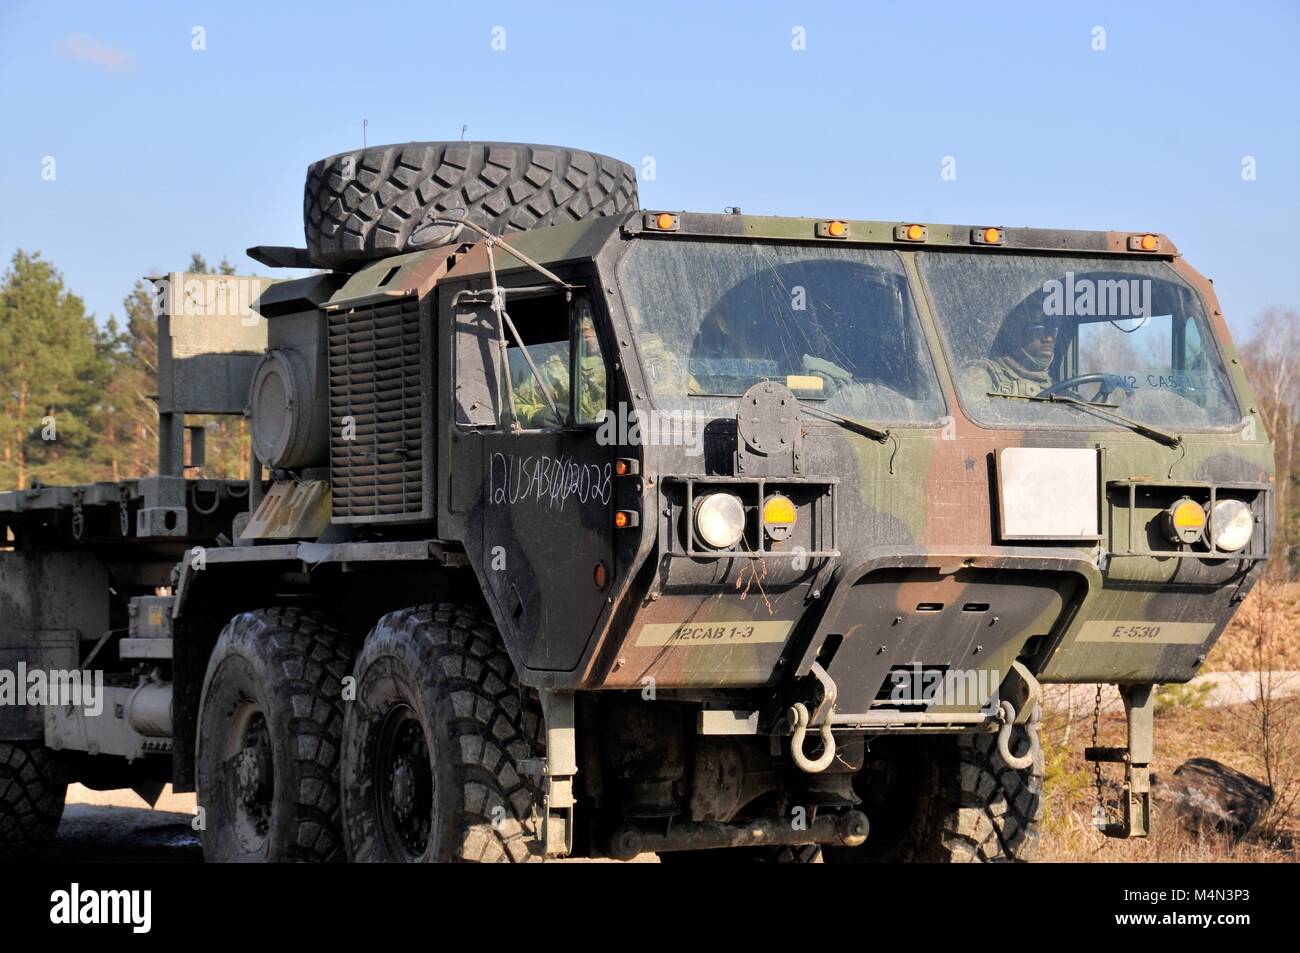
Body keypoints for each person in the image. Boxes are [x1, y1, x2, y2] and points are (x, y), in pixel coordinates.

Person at [966, 314, 1058, 398]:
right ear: (1017, 336)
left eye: (1052, 332)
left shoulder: (1058, 389)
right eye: (1039, 331)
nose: (1049, 339)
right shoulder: (984, 377)